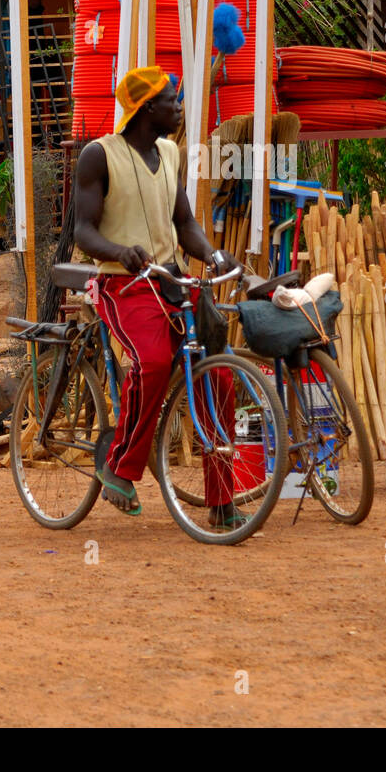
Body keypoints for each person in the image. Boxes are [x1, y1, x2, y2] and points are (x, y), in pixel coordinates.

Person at [73, 66, 240, 522]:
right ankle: (120, 468)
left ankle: (221, 502)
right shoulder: (98, 155)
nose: (180, 107)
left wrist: (213, 254)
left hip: (171, 283)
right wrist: (120, 251)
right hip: (122, 284)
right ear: (148, 109)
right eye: (172, 100)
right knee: (153, 363)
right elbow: (83, 231)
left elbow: (184, 224)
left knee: (219, 379)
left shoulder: (170, 152)